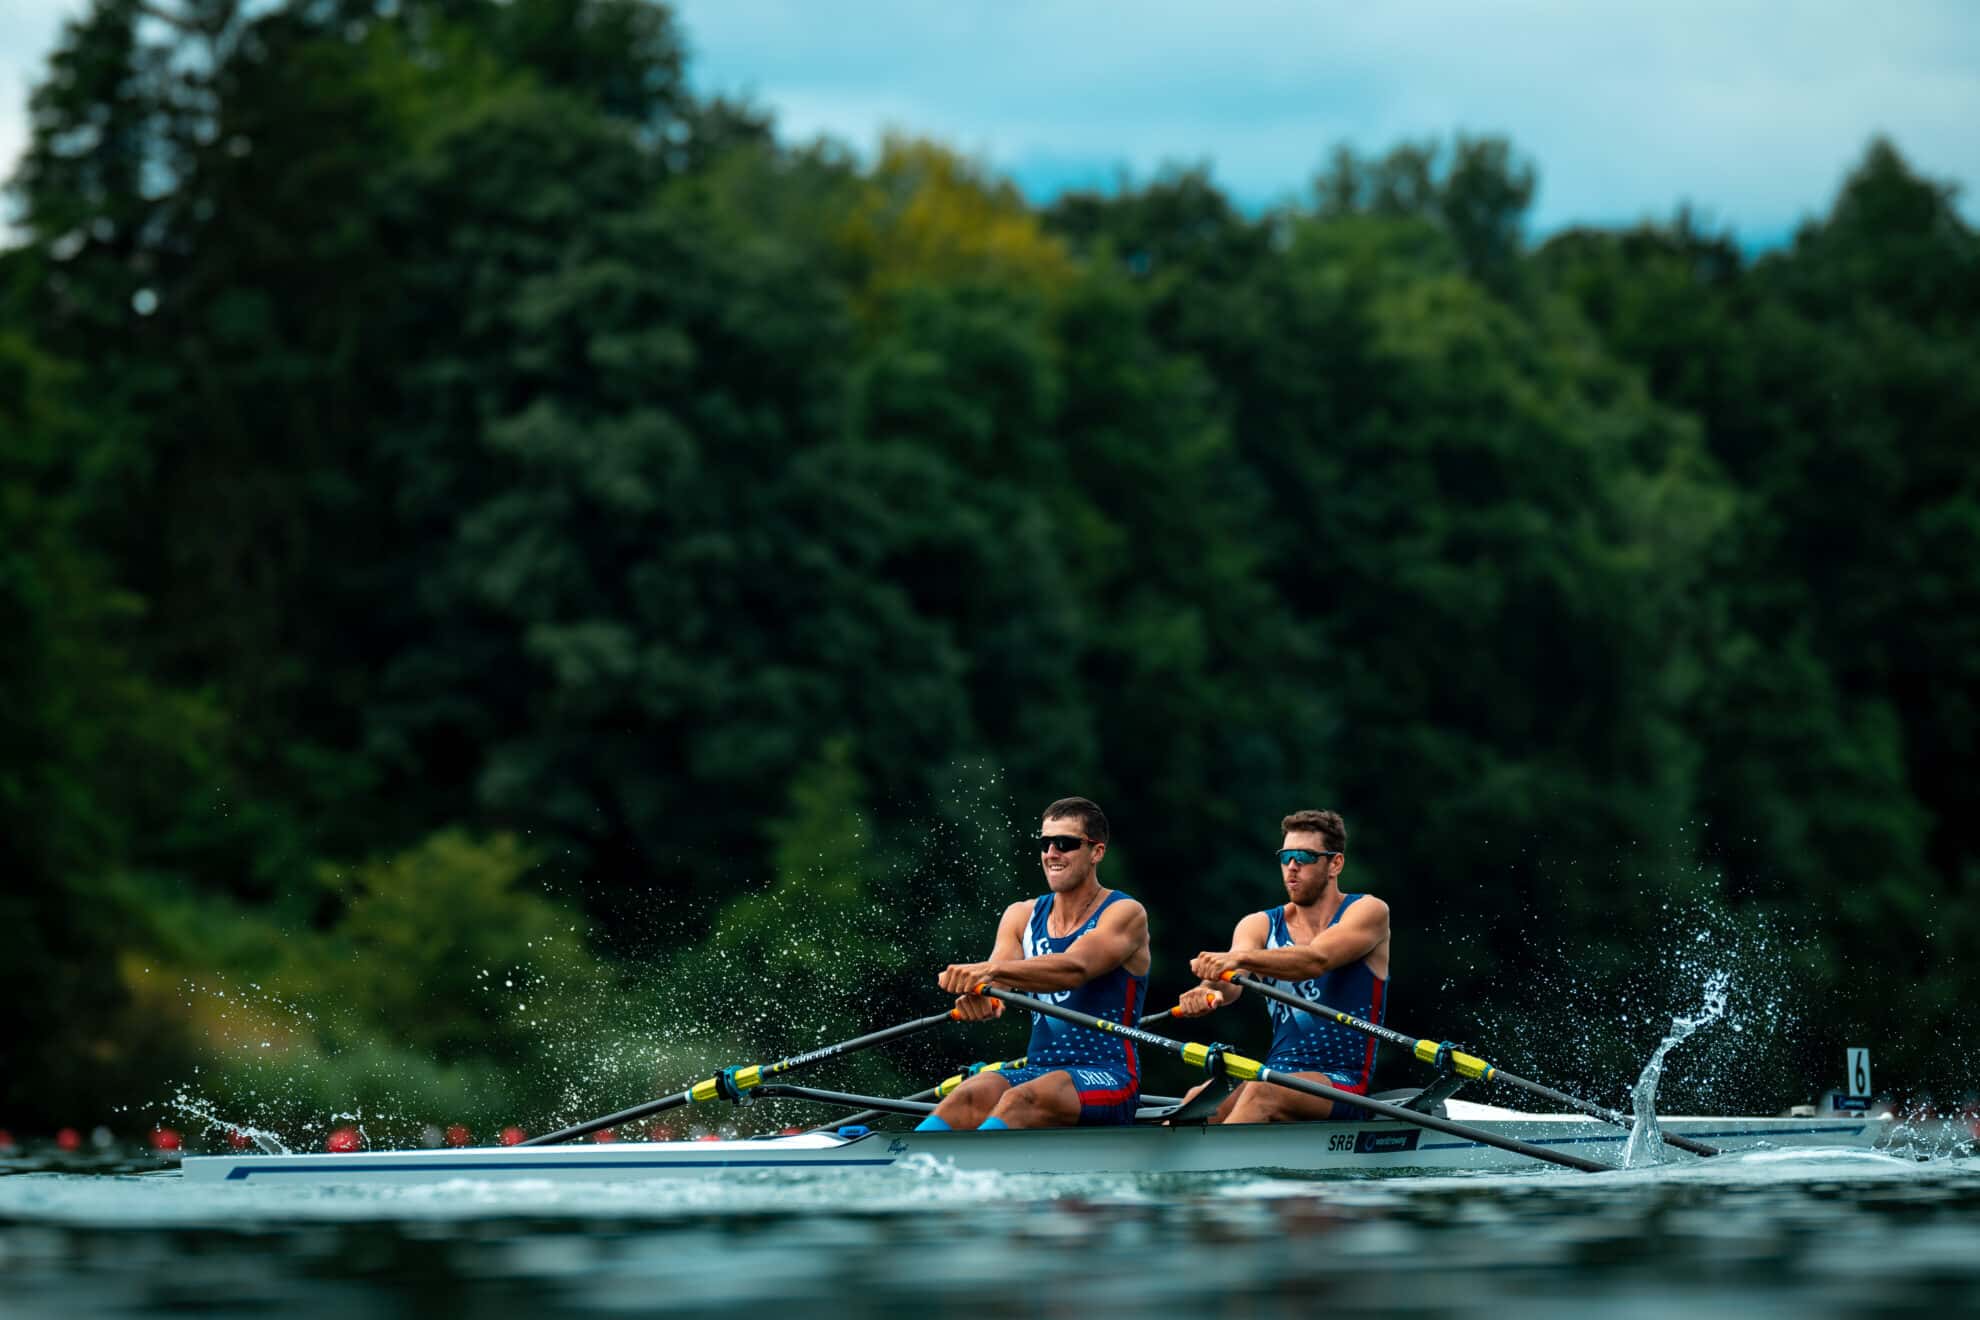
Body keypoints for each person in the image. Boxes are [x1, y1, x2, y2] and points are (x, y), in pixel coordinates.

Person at [921, 797, 1151, 1130]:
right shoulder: (1021, 916)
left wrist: (988, 972)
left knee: (1018, 1100)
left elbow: (1074, 969)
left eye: (1066, 844)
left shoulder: (1124, 913)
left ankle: (978, 1177)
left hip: (1108, 1075)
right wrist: (981, 997)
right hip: (1039, 1069)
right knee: (966, 1095)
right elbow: (996, 986)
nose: (1052, 853)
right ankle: (907, 1176)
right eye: (1045, 843)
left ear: (1097, 852)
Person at [1173, 809, 1389, 1122]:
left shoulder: (1367, 911)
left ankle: (1218, 1170)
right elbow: (1232, 981)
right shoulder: (1259, 924)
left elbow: (1315, 961)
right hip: (1276, 1075)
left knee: (1262, 1092)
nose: (1292, 867)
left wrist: (1238, 959)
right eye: (1286, 856)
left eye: (1304, 856)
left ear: (1335, 863)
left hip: (1342, 1082)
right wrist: (1206, 990)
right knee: (1200, 1097)